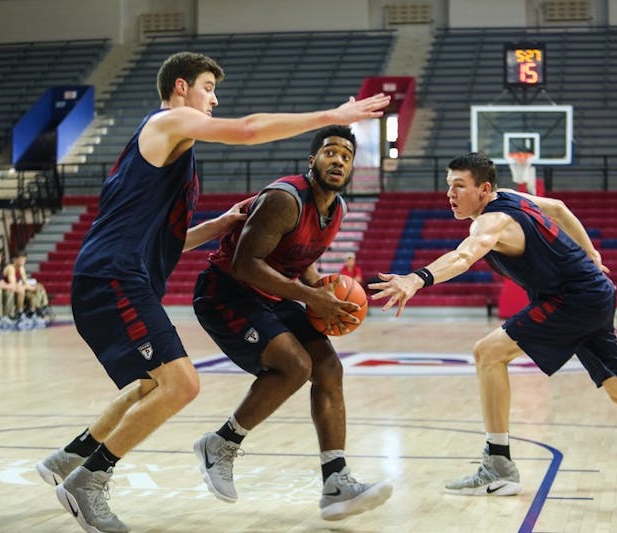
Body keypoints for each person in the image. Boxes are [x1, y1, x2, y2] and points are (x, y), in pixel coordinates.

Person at [35, 51, 389, 533]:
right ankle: (87, 481)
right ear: (181, 87)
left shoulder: (174, 150)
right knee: (182, 384)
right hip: (112, 275)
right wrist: (335, 115)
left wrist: (219, 225)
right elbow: (248, 129)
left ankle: (69, 458)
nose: (214, 98)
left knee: (148, 385)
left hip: (123, 273)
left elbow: (169, 240)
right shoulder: (167, 122)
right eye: (207, 87)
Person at [369, 152, 617, 496]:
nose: (450, 194)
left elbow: (464, 256)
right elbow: (557, 207)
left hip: (572, 299)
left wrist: (417, 278)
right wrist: (591, 254)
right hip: (593, 294)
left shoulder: (490, 221)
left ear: (483, 189)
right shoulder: (511, 196)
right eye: (448, 186)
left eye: (459, 186)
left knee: (488, 354)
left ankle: (498, 466)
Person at [192, 126, 392, 521]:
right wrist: (311, 296)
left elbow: (301, 258)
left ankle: (336, 482)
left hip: (274, 294)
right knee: (294, 365)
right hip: (226, 292)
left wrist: (323, 294)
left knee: (329, 367)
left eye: (346, 156)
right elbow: (244, 264)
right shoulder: (284, 199)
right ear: (312, 160)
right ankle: (220, 445)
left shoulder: (338, 210)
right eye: (330, 152)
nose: (338, 160)